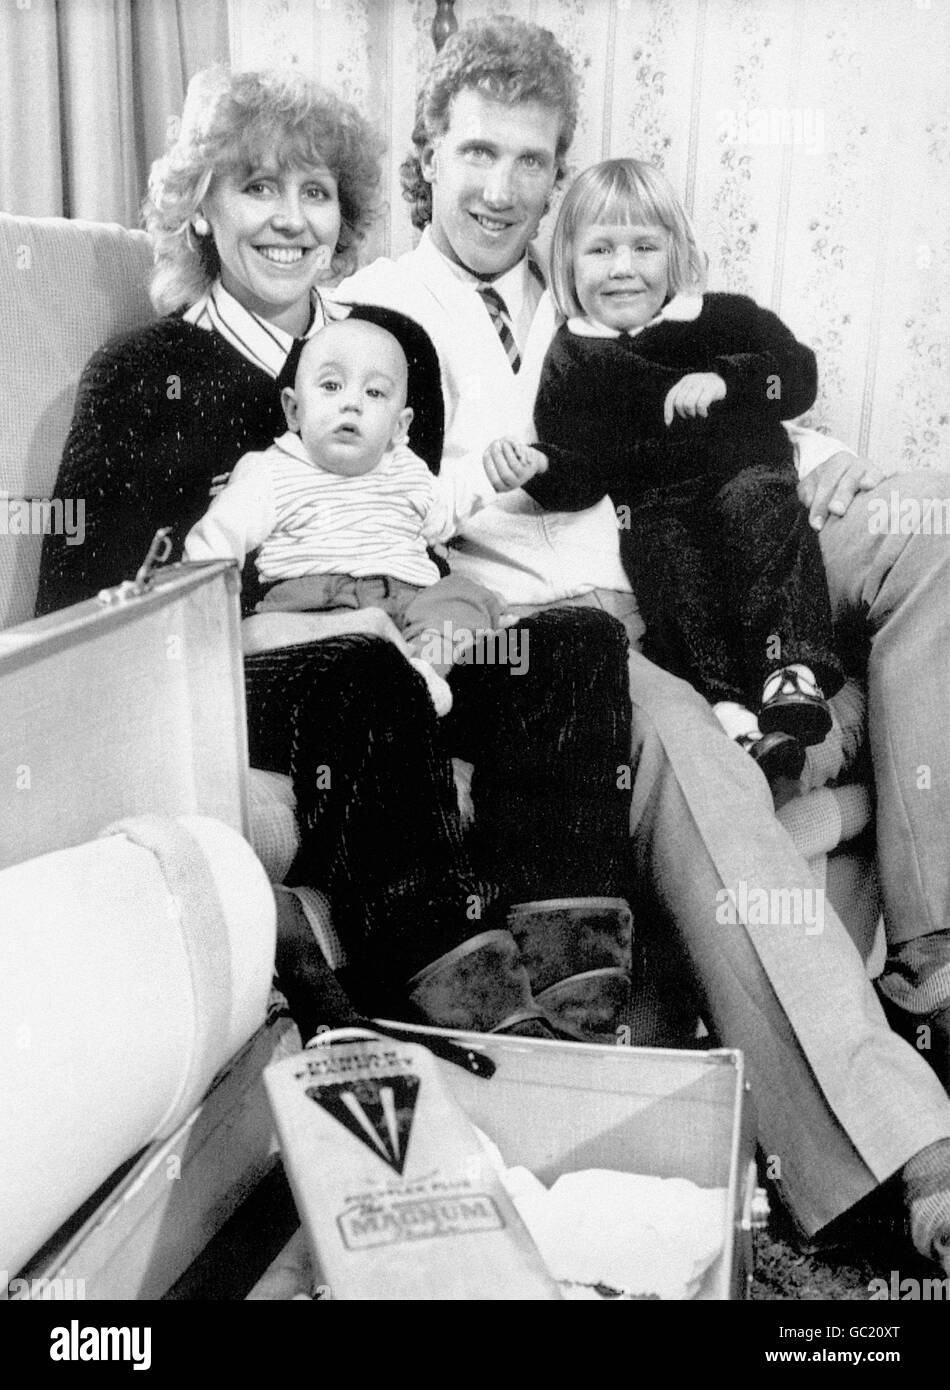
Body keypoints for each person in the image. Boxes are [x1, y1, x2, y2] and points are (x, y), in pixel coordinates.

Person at [338, 13, 950, 1271]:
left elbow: (705, 373)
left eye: (529, 160)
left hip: (685, 548)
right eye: (475, 154)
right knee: (690, 752)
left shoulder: (579, 274)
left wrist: (817, 465)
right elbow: (365, 501)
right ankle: (902, 1150)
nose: (501, 189)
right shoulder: (379, 317)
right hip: (560, 625)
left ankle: (936, 951)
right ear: (425, 159)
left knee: (927, 532)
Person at [35, 65, 634, 1045]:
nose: (289, 219)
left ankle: (579, 999)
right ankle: (465, 999)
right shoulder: (144, 374)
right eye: (256, 186)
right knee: (361, 666)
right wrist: (306, 617)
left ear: (345, 213)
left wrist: (448, 601)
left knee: (569, 646)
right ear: (202, 208)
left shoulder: (390, 347)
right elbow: (94, 623)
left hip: (387, 639)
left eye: (314, 191)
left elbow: (416, 531)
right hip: (246, 670)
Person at [504, 156, 845, 783]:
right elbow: (580, 473)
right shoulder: (574, 357)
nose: (623, 267)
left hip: (746, 471)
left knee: (759, 513)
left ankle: (790, 672)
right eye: (599, 250)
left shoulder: (717, 316)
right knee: (665, 571)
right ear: (568, 264)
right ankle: (731, 717)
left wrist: (728, 379)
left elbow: (797, 375)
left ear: (675, 252)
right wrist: (536, 467)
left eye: (643, 246)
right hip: (656, 505)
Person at [185, 314, 511, 716]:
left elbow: (443, 512)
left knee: (466, 597)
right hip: (317, 603)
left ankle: (423, 666)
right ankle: (410, 673)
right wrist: (204, 598)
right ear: (293, 409)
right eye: (331, 386)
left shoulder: (406, 468)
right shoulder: (271, 470)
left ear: (399, 425)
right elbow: (219, 536)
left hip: (411, 598)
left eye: (375, 393)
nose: (351, 403)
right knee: (342, 654)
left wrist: (490, 480)